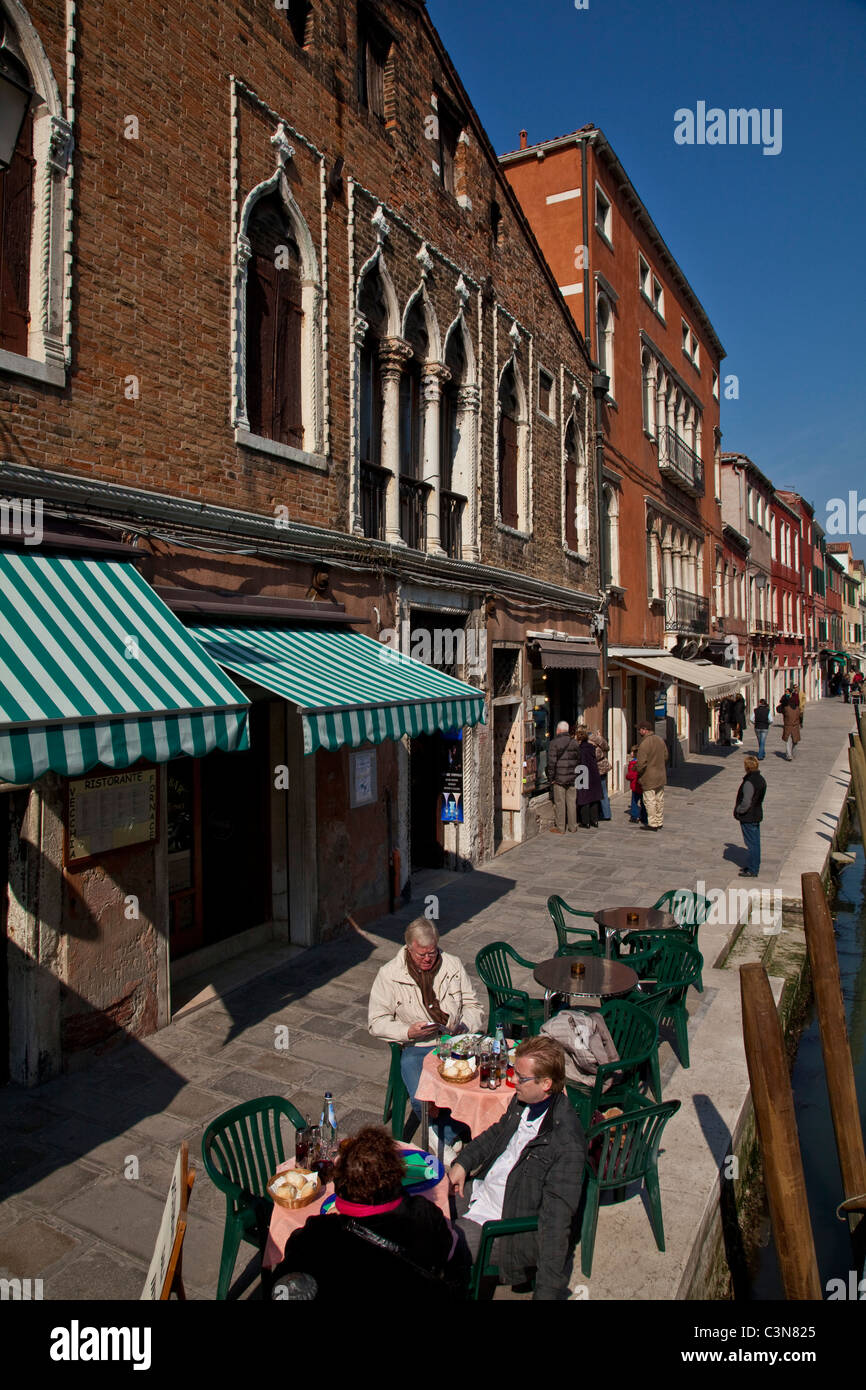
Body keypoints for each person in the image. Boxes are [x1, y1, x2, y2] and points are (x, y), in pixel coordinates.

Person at [449, 1036, 585, 1301]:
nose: (512, 1081)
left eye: (520, 1078)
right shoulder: (522, 1103)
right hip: (479, 1194)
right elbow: (497, 1133)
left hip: (504, 1227)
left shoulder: (566, 1143)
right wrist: (463, 1162)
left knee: (440, 1244)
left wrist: (546, 1294)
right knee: (422, 1206)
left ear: (546, 1084)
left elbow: (556, 1225)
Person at [272, 1126, 459, 1301]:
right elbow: (445, 1252)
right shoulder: (426, 1214)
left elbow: (287, 1280)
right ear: (396, 1176)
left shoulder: (318, 1233)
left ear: (342, 1182)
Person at [368, 919, 482, 1163]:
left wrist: (464, 1026)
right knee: (423, 1097)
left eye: (432, 952)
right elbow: (375, 1022)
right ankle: (450, 1136)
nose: (428, 959)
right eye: (422, 954)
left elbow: (473, 1006)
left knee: (478, 1084)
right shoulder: (389, 974)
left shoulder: (452, 965)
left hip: (454, 1041)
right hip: (417, 1047)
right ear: (409, 948)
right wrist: (408, 1032)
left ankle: (440, 1136)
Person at [734, 754, 767, 878]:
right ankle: (754, 865)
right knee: (755, 842)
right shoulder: (761, 779)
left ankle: (753, 869)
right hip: (757, 813)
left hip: (749, 816)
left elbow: (746, 801)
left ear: (747, 767)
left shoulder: (749, 781)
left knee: (752, 844)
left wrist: (739, 810)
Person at [546, 720, 580, 833]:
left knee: (560, 803)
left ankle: (561, 827)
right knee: (571, 802)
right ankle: (573, 826)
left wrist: (551, 778)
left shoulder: (554, 743)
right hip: (572, 777)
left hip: (559, 778)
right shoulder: (574, 742)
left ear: (559, 730)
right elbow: (578, 760)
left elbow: (551, 763)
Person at [635, 719, 668, 831]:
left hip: (649, 776)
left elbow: (641, 764)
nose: (639, 731)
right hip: (660, 774)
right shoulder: (660, 740)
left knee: (650, 800)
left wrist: (638, 772)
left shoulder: (644, 743)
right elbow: (666, 756)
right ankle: (659, 821)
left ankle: (652, 823)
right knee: (659, 799)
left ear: (644, 730)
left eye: (640, 729)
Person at [574, 724, 603, 828]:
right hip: (594, 774)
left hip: (582, 774)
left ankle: (585, 821)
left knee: (584, 798)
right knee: (593, 798)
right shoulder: (592, 748)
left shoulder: (579, 749)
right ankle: (594, 820)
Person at [587, 729, 611, 820]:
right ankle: (607, 814)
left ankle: (595, 814)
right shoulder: (599, 739)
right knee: (604, 791)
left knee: (594, 792)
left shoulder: (585, 742)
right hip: (603, 767)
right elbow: (607, 748)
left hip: (593, 768)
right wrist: (600, 737)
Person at [625, 744, 648, 824]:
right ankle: (644, 817)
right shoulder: (644, 763)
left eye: (631, 752)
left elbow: (631, 775)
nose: (630, 753)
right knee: (643, 802)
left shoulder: (632, 763)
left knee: (634, 802)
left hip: (635, 786)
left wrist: (627, 776)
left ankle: (634, 816)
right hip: (643, 786)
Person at [777, 688, 801, 761]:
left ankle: (789, 755)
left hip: (789, 726)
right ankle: (791, 754)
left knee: (790, 741)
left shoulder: (787, 708)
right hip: (793, 726)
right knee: (793, 741)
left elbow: (778, 709)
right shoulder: (795, 708)